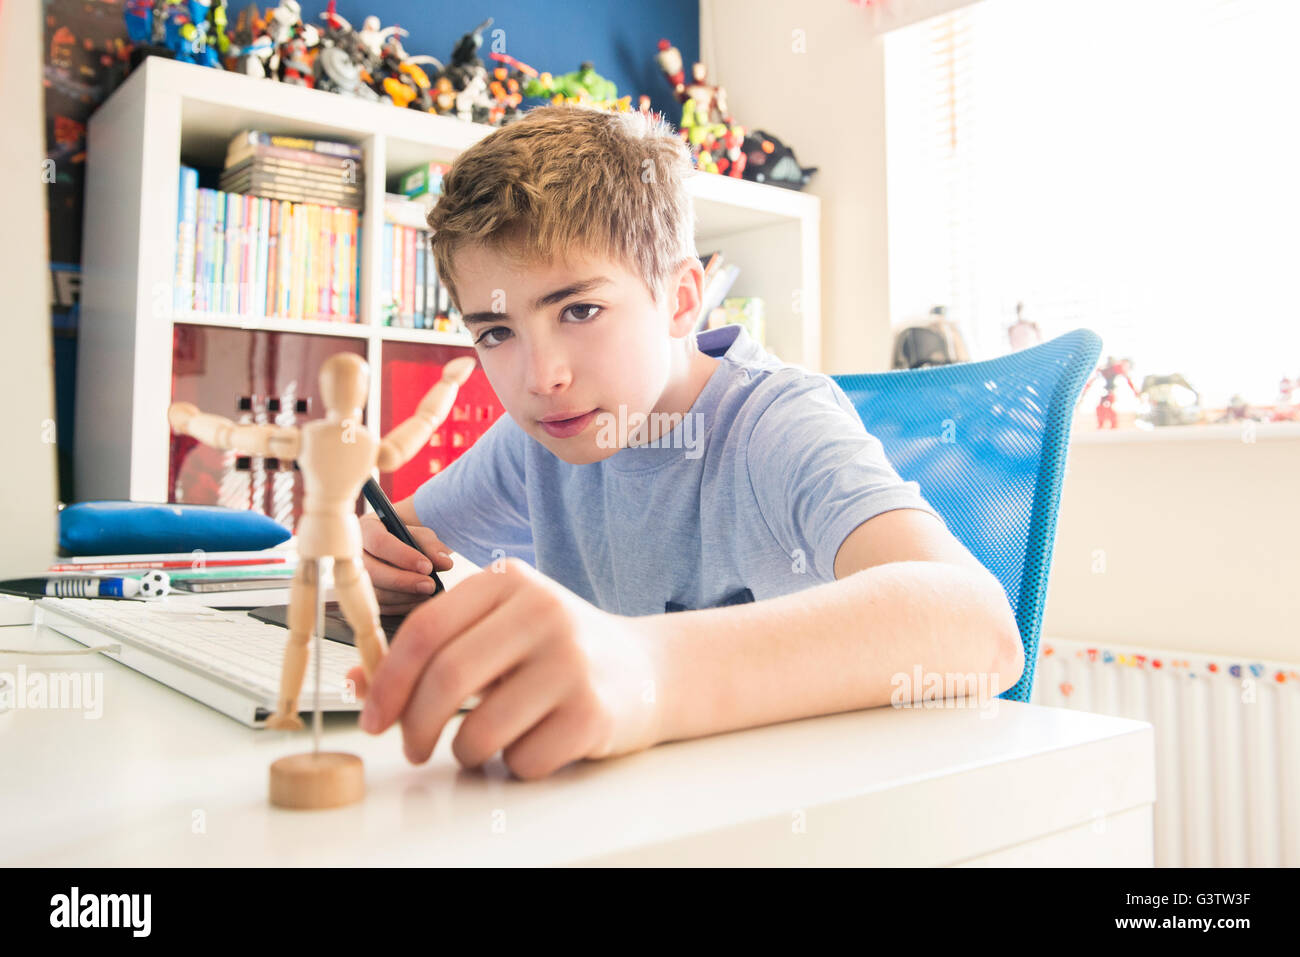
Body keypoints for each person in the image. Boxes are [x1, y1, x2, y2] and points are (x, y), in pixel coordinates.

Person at [349, 105, 1023, 780]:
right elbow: (395, 534)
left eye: (579, 310)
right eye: (496, 332)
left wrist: (644, 668)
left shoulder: (776, 422)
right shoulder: (541, 438)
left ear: (679, 299)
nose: (540, 377)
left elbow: (982, 630)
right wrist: (369, 560)